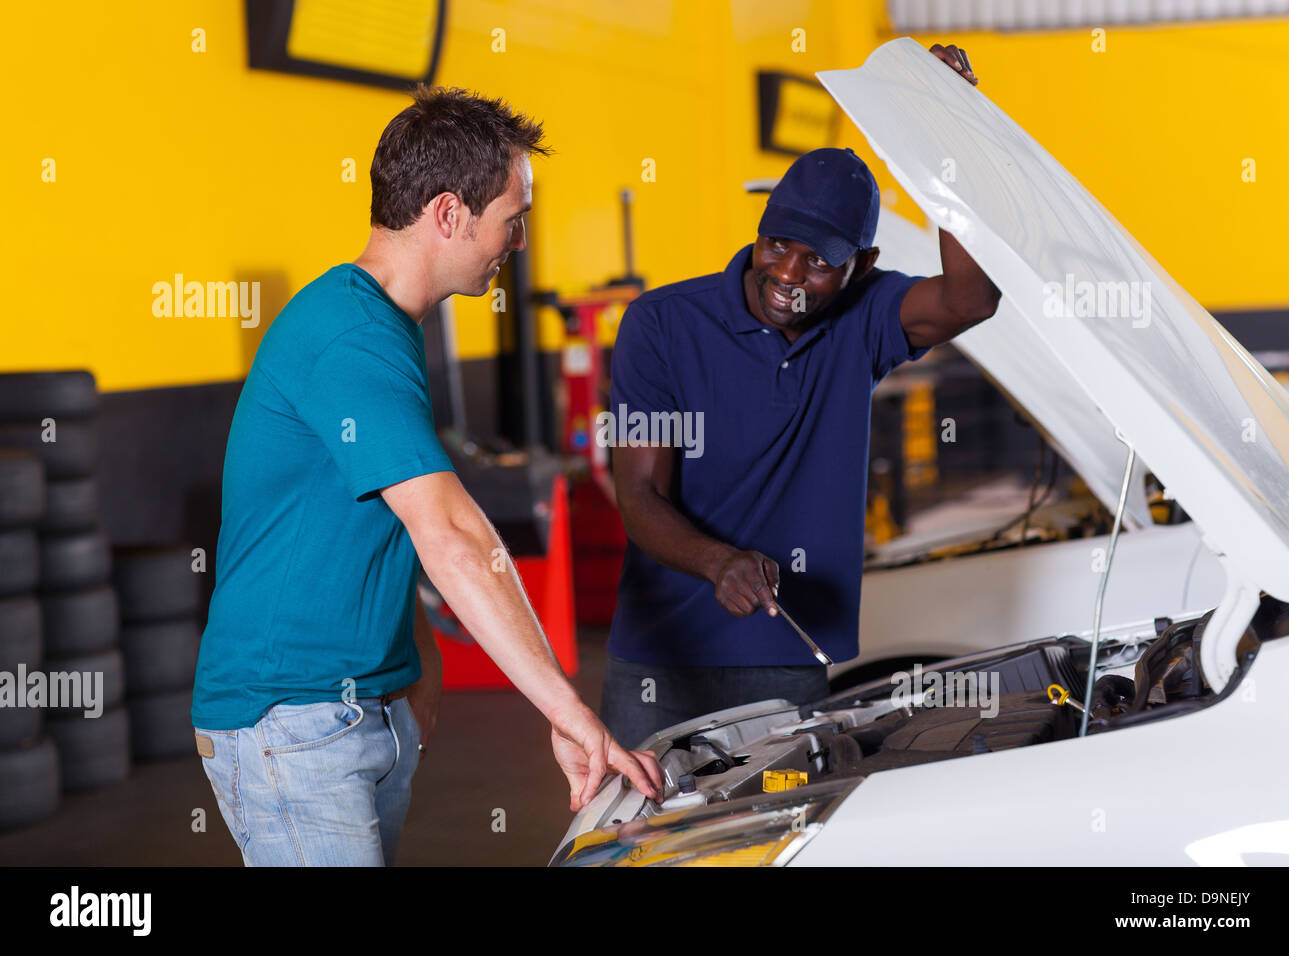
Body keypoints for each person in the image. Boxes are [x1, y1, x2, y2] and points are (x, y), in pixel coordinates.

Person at [191, 86, 662, 867]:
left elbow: (377, 516)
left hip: (361, 708)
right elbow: (451, 532)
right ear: (449, 214)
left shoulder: (384, 326)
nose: (515, 241)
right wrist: (569, 713)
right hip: (291, 721)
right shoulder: (348, 336)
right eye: (512, 220)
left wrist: (415, 651)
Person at [599, 45, 1000, 748]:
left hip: (785, 653)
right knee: (642, 850)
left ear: (862, 266)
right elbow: (638, 494)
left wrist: (947, 132)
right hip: (658, 659)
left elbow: (972, 297)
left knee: (778, 835)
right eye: (778, 244)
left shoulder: (867, 317)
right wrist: (718, 562)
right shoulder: (660, 323)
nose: (788, 272)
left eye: (819, 260)